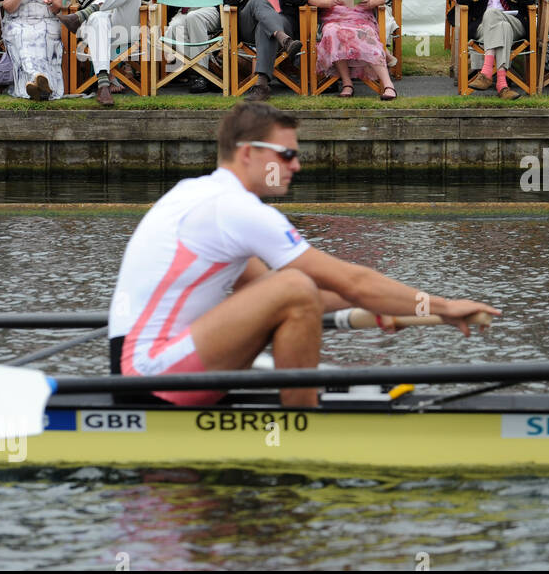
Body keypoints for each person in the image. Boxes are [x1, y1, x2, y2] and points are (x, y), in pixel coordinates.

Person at [108, 102, 499, 409]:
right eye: (286, 154)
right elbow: (348, 283)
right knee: (294, 285)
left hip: (145, 370)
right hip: (151, 376)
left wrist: (393, 305)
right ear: (247, 153)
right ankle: (302, 420)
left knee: (294, 288)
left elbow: (275, 290)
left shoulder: (199, 194)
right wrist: (445, 307)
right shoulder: (235, 209)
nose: (296, 165)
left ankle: (297, 413)